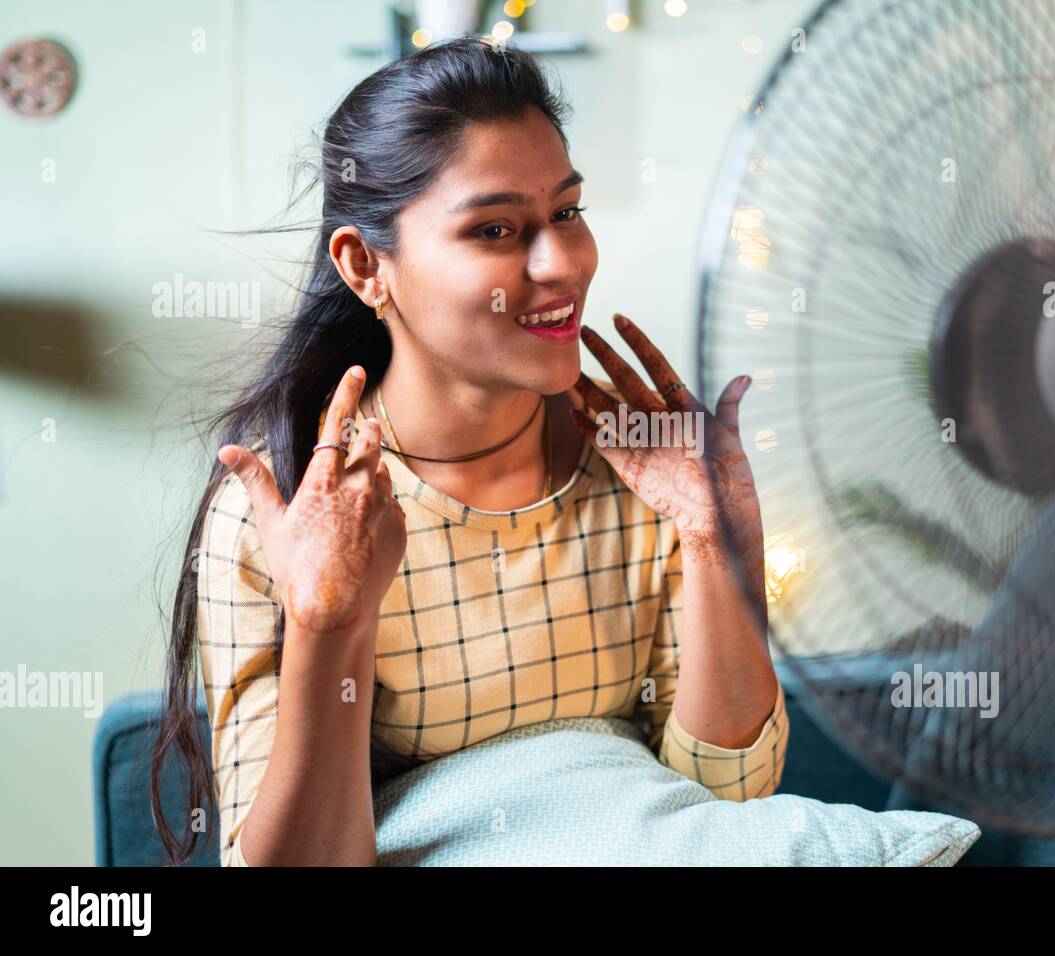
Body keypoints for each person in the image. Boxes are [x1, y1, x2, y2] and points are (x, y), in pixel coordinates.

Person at [152, 34, 786, 867]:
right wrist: (328, 621)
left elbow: (728, 806)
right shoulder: (282, 507)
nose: (560, 264)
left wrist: (717, 540)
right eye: (495, 229)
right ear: (365, 265)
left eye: (567, 212)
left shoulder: (647, 469)